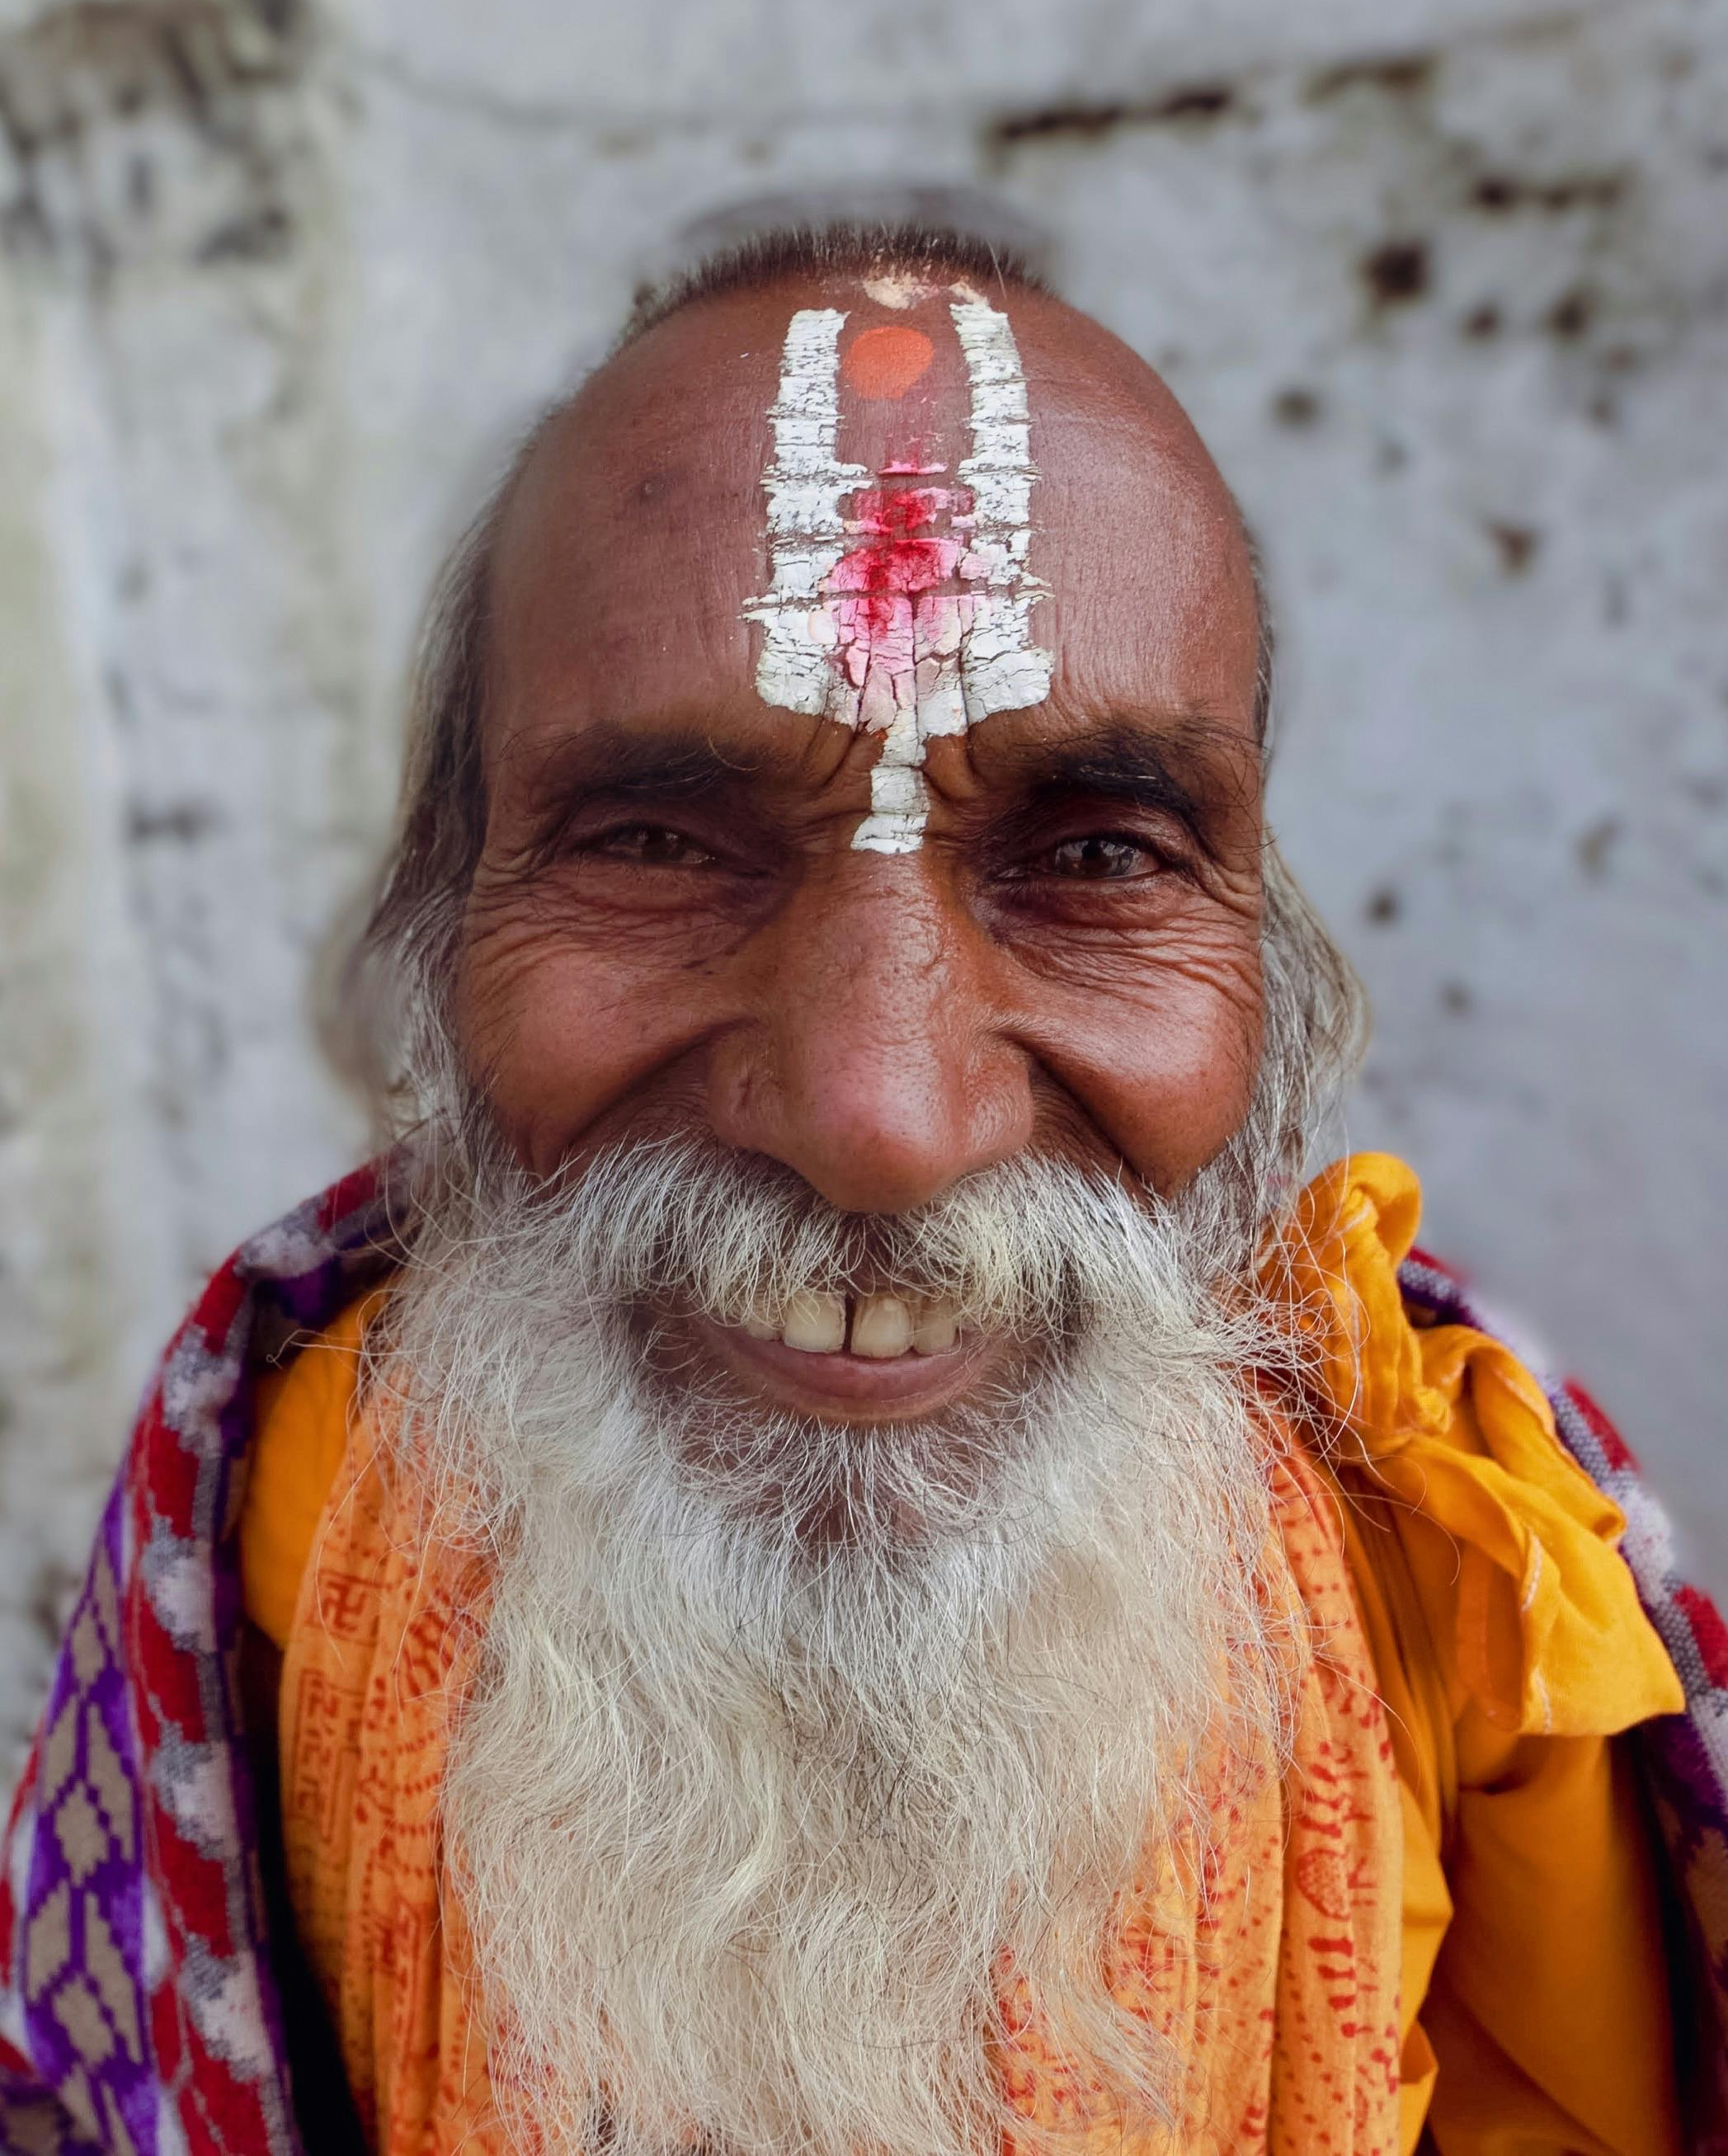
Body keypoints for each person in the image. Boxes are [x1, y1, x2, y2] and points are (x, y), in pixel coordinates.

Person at [2, 224, 1722, 2156]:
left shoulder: (1464, 1582)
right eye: (656, 841)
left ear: (1272, 975)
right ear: (438, 934)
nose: (881, 1116)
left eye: (1096, 854)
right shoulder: (280, 1516)